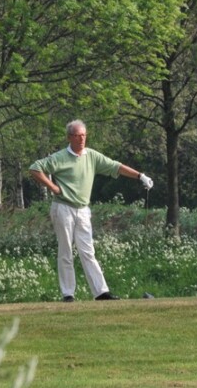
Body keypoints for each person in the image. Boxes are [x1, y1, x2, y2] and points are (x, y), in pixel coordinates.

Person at [28, 119, 154, 302]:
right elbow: (35, 168)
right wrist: (53, 187)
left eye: (84, 135)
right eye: (78, 136)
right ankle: (68, 293)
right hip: (63, 208)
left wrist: (140, 176)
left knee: (88, 251)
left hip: (83, 209)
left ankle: (101, 292)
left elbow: (115, 166)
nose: (81, 139)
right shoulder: (60, 157)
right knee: (65, 251)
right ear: (70, 137)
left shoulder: (91, 156)